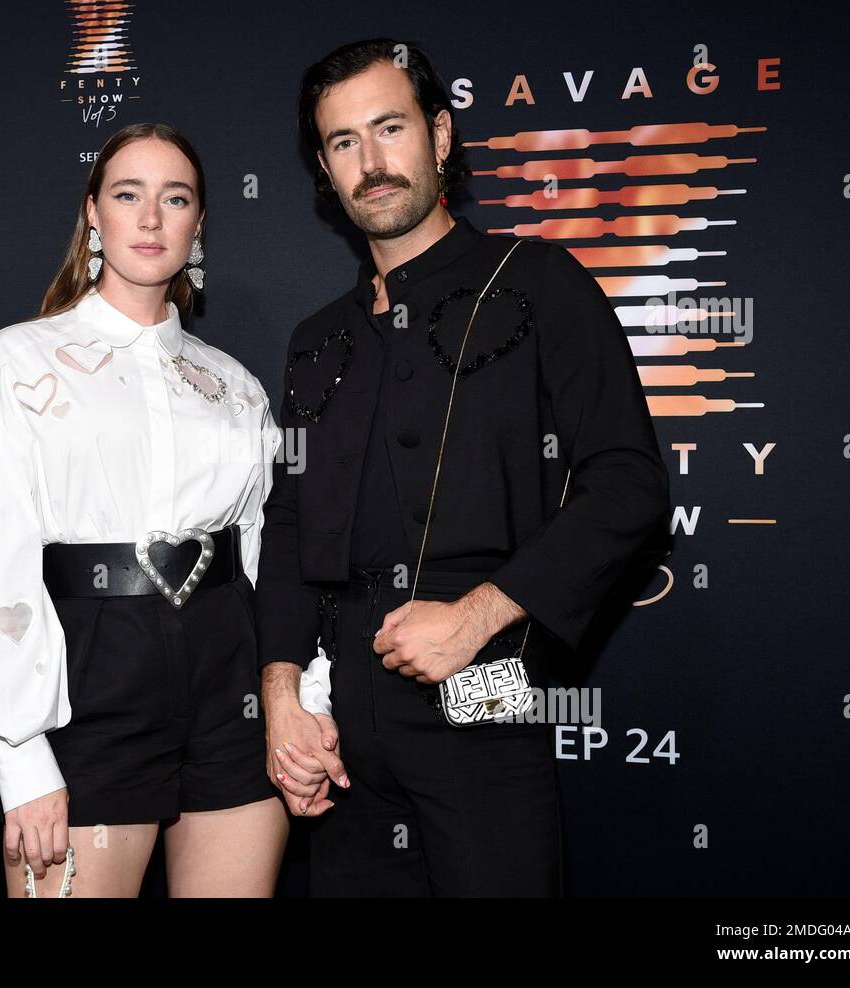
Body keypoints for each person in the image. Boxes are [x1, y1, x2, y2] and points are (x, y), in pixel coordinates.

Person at [256, 38, 671, 896]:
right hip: (342, 721)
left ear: (441, 137)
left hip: (490, 684)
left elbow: (627, 486)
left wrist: (476, 617)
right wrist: (284, 696)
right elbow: (290, 527)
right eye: (343, 143)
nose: (371, 163)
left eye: (389, 128)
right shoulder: (315, 341)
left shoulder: (541, 284)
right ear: (326, 171)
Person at [0, 122, 291, 897]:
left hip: (231, 681)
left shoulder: (234, 384)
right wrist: (19, 751)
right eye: (128, 194)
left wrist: (300, 695)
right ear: (93, 213)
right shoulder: (19, 359)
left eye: (175, 198)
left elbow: (272, 553)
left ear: (198, 223)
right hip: (88, 680)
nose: (151, 218)